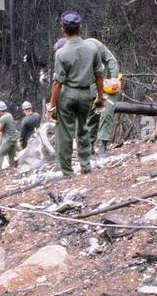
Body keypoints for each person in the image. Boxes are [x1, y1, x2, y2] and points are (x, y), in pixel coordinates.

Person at [48, 11, 106, 175]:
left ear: (63, 30)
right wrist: (101, 97)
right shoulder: (92, 48)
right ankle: (86, 166)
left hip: (67, 95)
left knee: (64, 134)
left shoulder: (61, 53)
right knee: (83, 129)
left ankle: (67, 172)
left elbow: (58, 82)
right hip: (85, 95)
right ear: (80, 27)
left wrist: (52, 106)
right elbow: (99, 75)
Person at [83, 28, 120, 150]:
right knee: (92, 115)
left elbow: (112, 61)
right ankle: (90, 145)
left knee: (106, 111)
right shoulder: (79, 55)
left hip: (108, 86)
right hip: (92, 86)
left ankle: (103, 144)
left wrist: (113, 78)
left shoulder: (98, 46)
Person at [0, 101, 18, 170]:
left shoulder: (3, 118)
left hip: (8, 139)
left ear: (0, 110)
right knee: (12, 155)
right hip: (13, 138)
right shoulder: (9, 115)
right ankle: (14, 168)